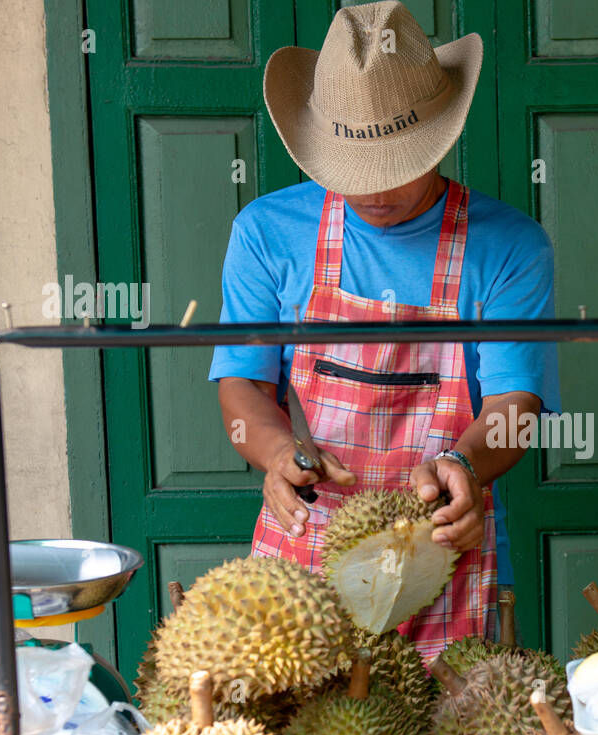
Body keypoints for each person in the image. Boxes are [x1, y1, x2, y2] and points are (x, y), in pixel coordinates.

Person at [209, 1, 558, 659]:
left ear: (442, 135)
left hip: (445, 555)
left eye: (397, 163)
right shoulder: (266, 234)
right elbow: (242, 385)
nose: (374, 191)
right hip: (306, 557)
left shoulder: (510, 248)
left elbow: (515, 409)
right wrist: (278, 453)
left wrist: (463, 464)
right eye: (351, 169)